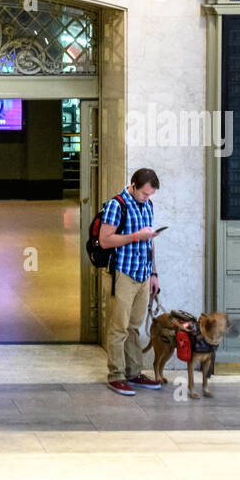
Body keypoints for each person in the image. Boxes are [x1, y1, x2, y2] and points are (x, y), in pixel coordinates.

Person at [100, 167, 162, 395]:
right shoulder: (116, 205)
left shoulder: (148, 205)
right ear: (133, 185)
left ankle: (134, 372)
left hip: (143, 274)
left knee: (134, 327)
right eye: (145, 194)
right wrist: (136, 236)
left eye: (150, 195)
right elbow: (105, 241)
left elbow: (150, 243)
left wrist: (154, 274)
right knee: (119, 328)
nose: (147, 198)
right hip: (122, 274)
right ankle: (116, 375)